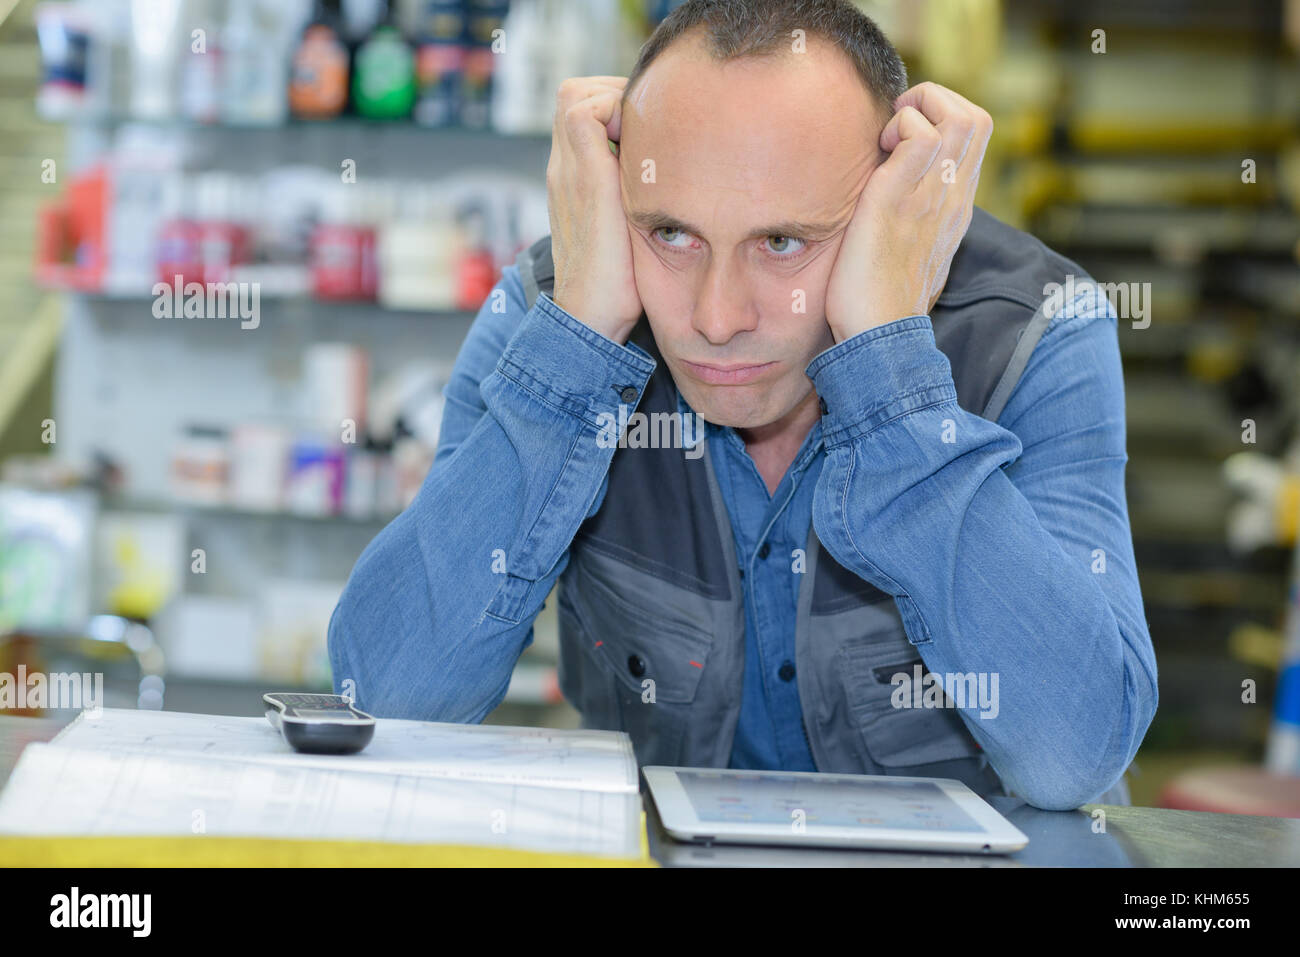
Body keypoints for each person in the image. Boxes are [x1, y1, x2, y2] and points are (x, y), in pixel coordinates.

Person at [328, 0, 1157, 811]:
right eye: (672, 234)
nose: (717, 319)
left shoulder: (1033, 333)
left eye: (784, 242)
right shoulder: (556, 313)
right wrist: (578, 343)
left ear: (888, 207)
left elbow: (1072, 758)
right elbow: (390, 699)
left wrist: (890, 371)